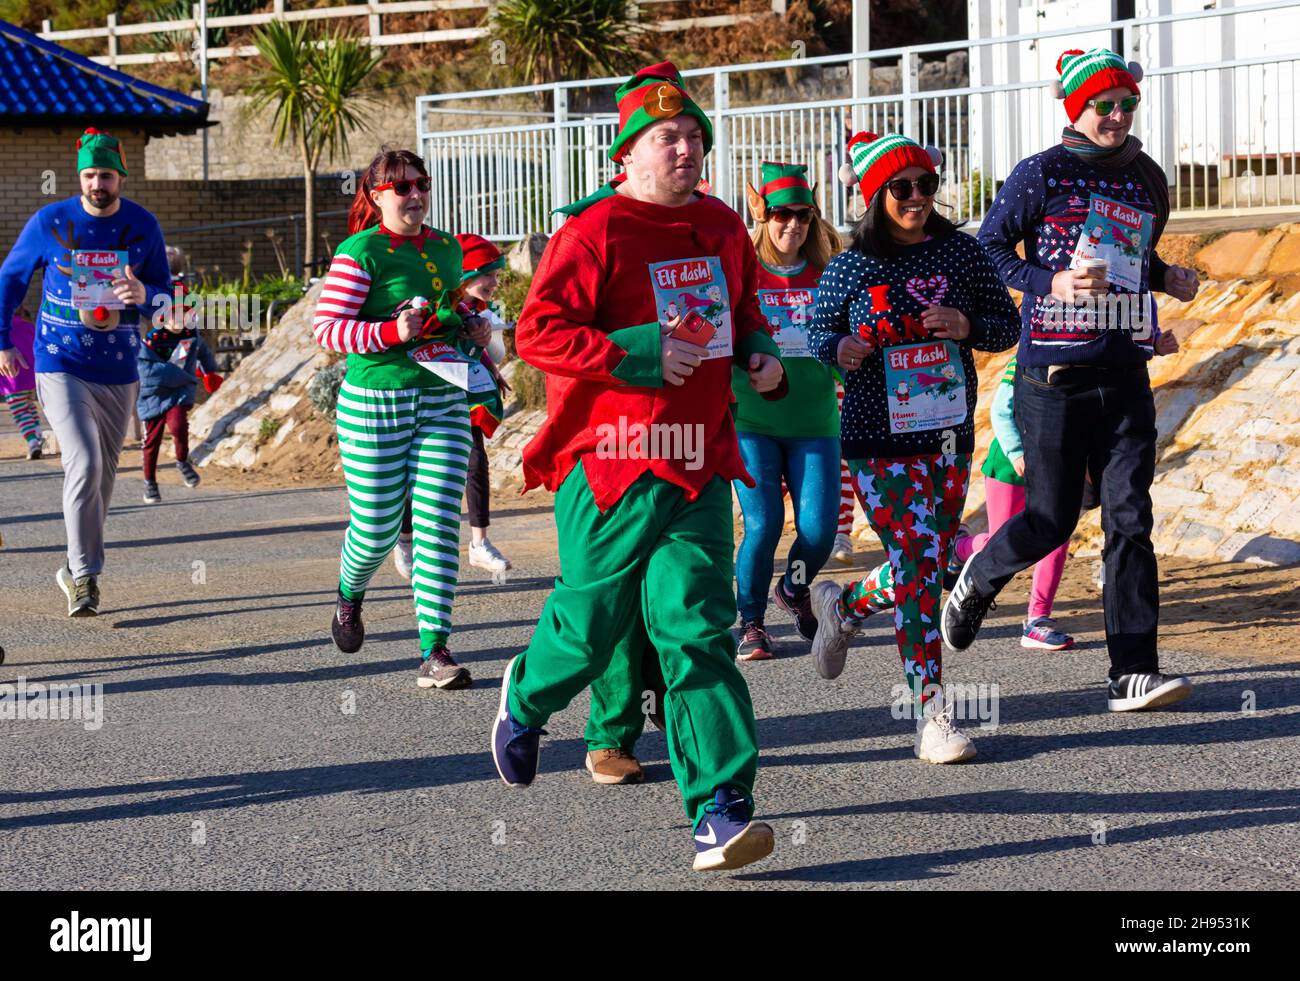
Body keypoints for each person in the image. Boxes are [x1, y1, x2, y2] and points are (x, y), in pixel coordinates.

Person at [490, 61, 786, 871]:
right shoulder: (593, 231)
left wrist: (760, 356)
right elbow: (538, 336)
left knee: (699, 631)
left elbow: (746, 314)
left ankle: (721, 809)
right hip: (611, 464)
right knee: (591, 629)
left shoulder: (726, 226)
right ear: (629, 153)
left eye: (695, 137)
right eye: (669, 139)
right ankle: (527, 696)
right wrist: (647, 353)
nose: (687, 150)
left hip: (696, 466)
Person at [941, 48, 1201, 713]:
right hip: (1053, 372)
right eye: (1102, 105)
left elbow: (1134, 258)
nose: (1115, 115)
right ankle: (980, 573)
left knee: (1129, 515)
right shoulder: (1041, 174)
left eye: (1125, 104)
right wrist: (1049, 280)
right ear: (1075, 109)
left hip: (1124, 367)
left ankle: (1133, 670)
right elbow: (991, 247)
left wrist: (1167, 277)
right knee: (1050, 517)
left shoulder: (1147, 176)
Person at [806, 132, 1020, 763]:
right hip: (877, 436)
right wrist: (837, 349)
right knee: (921, 561)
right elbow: (818, 330)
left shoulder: (961, 253)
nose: (918, 197)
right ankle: (933, 715)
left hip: (947, 433)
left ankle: (844, 606)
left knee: (923, 561)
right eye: (903, 188)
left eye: (927, 184)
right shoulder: (852, 265)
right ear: (877, 195)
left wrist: (969, 326)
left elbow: (1008, 324)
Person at [312, 146, 491, 691]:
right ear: (375, 195)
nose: (414, 195)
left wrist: (473, 328)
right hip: (375, 402)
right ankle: (349, 593)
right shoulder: (360, 252)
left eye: (421, 184)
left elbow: (454, 310)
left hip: (442, 397)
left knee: (437, 521)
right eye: (401, 187)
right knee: (377, 527)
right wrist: (393, 332)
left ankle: (435, 649)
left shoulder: (445, 247)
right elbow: (327, 331)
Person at [0, 128, 171, 616]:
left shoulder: (143, 226)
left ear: (121, 177)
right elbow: (10, 279)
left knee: (103, 479)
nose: (99, 183)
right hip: (59, 362)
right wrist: (2, 342)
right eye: (90, 175)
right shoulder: (49, 221)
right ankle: (84, 577)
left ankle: (75, 563)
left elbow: (172, 298)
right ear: (79, 177)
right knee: (85, 462)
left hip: (118, 370)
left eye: (107, 175)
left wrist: (148, 298)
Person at [730, 161, 844, 659]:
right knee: (764, 524)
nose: (792, 225)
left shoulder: (829, 276)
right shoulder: (741, 274)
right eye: (781, 214)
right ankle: (751, 621)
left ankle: (794, 590)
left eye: (804, 215)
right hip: (752, 422)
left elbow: (844, 347)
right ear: (761, 214)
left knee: (818, 532)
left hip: (814, 422)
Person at [137, 258, 223, 504]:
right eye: (173, 315)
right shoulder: (150, 340)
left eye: (184, 315)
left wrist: (211, 373)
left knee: (178, 427)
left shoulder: (191, 335)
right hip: (152, 395)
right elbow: (145, 370)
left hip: (178, 393)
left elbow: (204, 352)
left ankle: (182, 461)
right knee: (151, 441)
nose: (179, 321)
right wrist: (175, 375)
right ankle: (150, 482)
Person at [2, 309, 43, 459]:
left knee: (19, 411)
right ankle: (38, 436)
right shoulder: (28, 326)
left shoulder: (3, 330)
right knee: (29, 406)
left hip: (12, 378)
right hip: (31, 376)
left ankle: (33, 442)